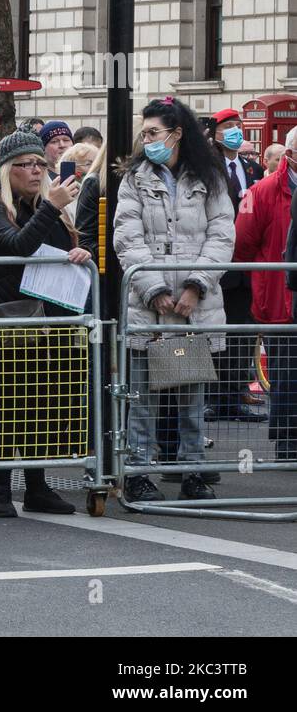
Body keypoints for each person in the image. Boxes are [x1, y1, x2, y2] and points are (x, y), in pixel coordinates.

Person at [114, 98, 233, 503]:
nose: (146, 140)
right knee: (142, 397)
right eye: (144, 133)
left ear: (177, 133)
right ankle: (139, 472)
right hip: (150, 305)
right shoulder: (135, 178)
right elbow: (126, 237)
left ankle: (192, 471)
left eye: (154, 133)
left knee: (191, 396)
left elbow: (221, 233)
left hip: (193, 306)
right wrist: (156, 288)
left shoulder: (209, 176)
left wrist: (197, 284)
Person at [0, 131, 90, 516]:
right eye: (26, 164)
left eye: (41, 164)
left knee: (41, 403)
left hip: (45, 316)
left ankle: (37, 486)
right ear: (7, 169)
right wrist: (51, 208)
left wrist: (78, 251)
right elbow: (19, 246)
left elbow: (51, 247)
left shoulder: (46, 205)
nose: (36, 171)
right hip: (6, 317)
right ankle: (0, 490)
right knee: (5, 406)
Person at [236, 126, 297, 461]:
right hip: (279, 296)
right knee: (286, 373)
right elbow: (243, 244)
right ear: (289, 156)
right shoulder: (264, 191)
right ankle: (288, 441)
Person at [209, 108, 267, 422]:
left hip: (246, 265)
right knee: (219, 336)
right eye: (229, 127)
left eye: (238, 126)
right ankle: (214, 398)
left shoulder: (252, 168)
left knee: (243, 336)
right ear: (215, 133)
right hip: (219, 264)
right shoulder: (208, 167)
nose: (235, 131)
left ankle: (234, 397)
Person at [57, 142, 99, 223]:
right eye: (89, 163)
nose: (96, 168)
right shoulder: (63, 197)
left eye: (97, 163)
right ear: (73, 168)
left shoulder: (98, 191)